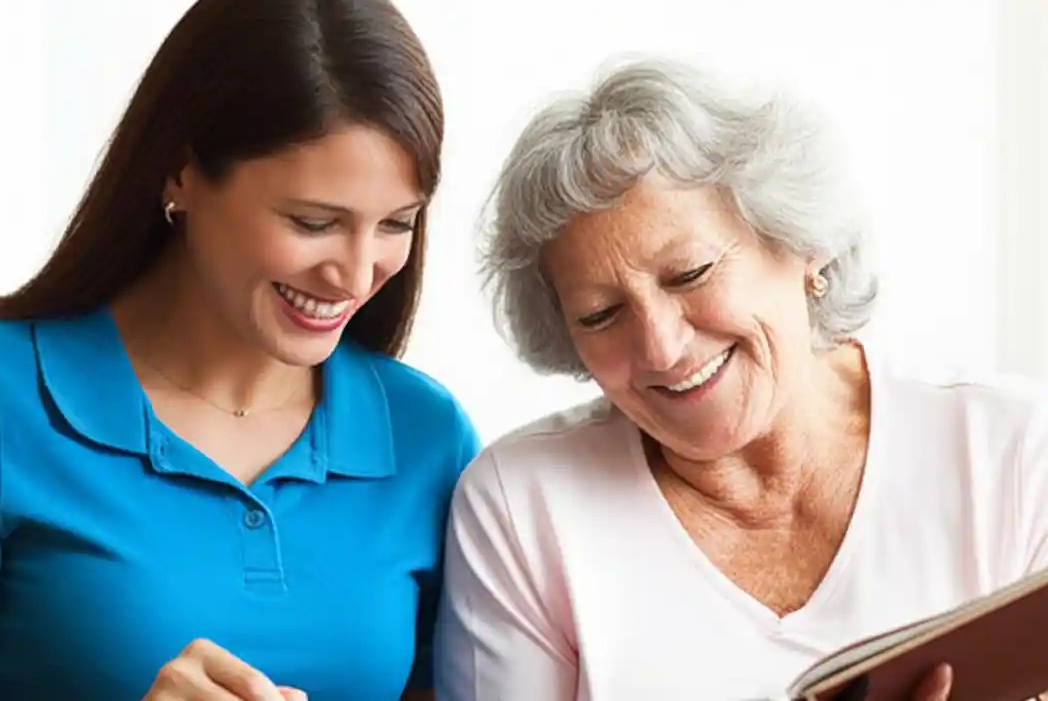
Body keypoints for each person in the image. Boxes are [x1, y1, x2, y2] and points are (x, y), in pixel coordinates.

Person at [0, 0, 480, 699]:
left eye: (396, 224)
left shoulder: (426, 440)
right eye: (313, 222)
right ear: (182, 170)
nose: (355, 273)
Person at [434, 58, 1048, 700]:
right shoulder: (524, 506)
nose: (662, 348)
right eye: (601, 315)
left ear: (802, 245)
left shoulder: (1012, 456)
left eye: (691, 273)